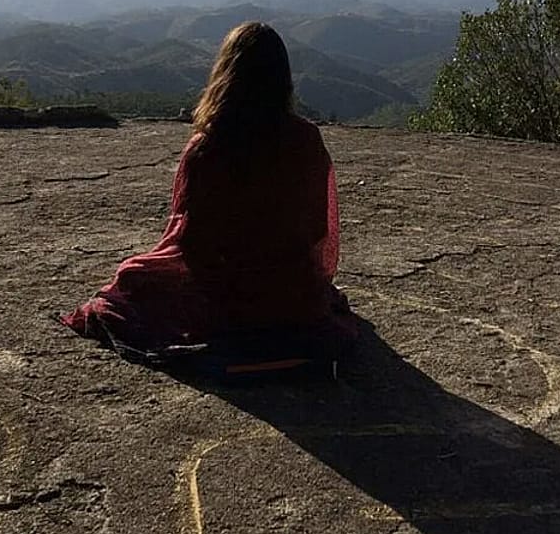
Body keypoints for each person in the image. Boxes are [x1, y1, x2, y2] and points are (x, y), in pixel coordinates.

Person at [61, 22, 357, 363]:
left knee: (131, 278)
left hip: (229, 303)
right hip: (294, 295)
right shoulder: (306, 140)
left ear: (225, 74)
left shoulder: (207, 149)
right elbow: (319, 229)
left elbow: (189, 242)